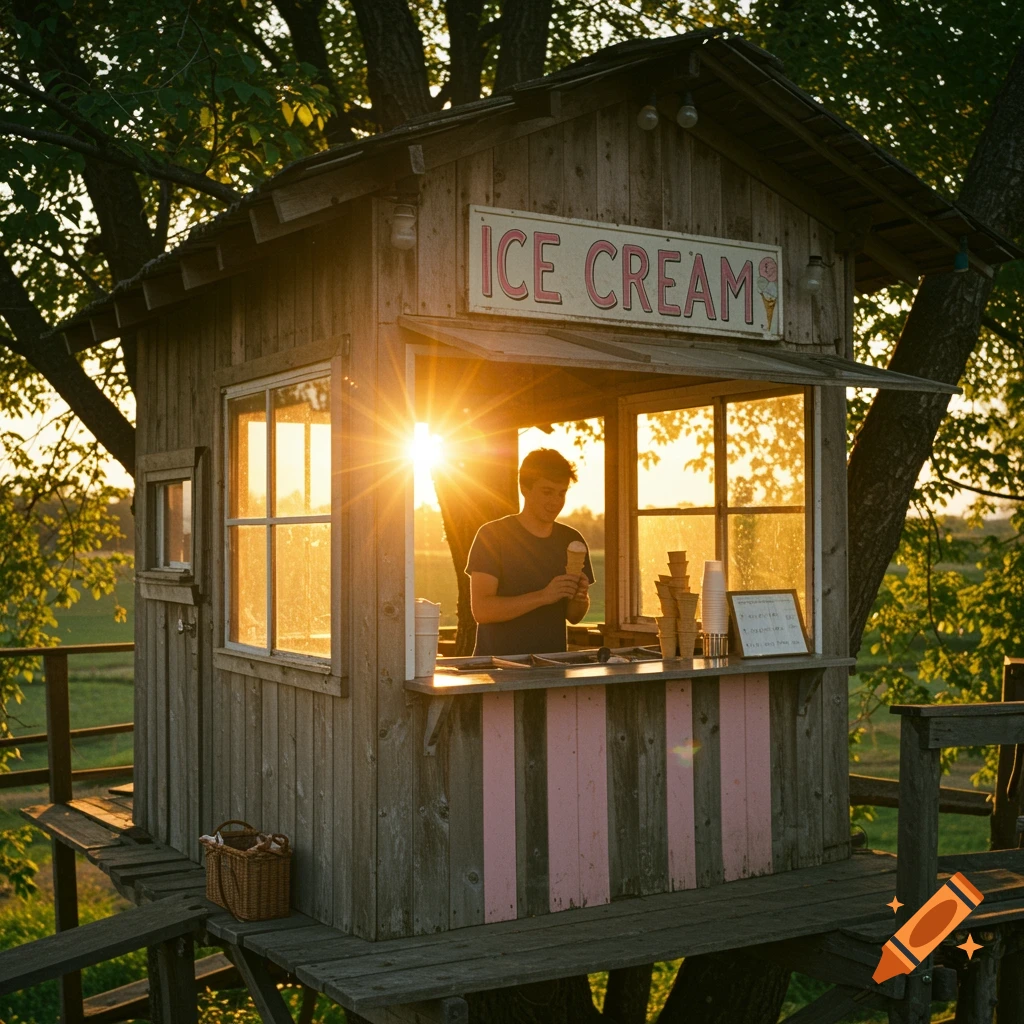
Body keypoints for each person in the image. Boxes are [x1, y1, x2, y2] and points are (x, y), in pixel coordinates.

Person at [466, 448, 595, 656]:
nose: (555, 502)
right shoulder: (492, 535)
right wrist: (544, 596)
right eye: (547, 492)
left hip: (551, 668)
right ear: (524, 488)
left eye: (562, 493)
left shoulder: (572, 541)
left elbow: (573, 616)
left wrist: (581, 598)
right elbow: (482, 610)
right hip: (497, 670)